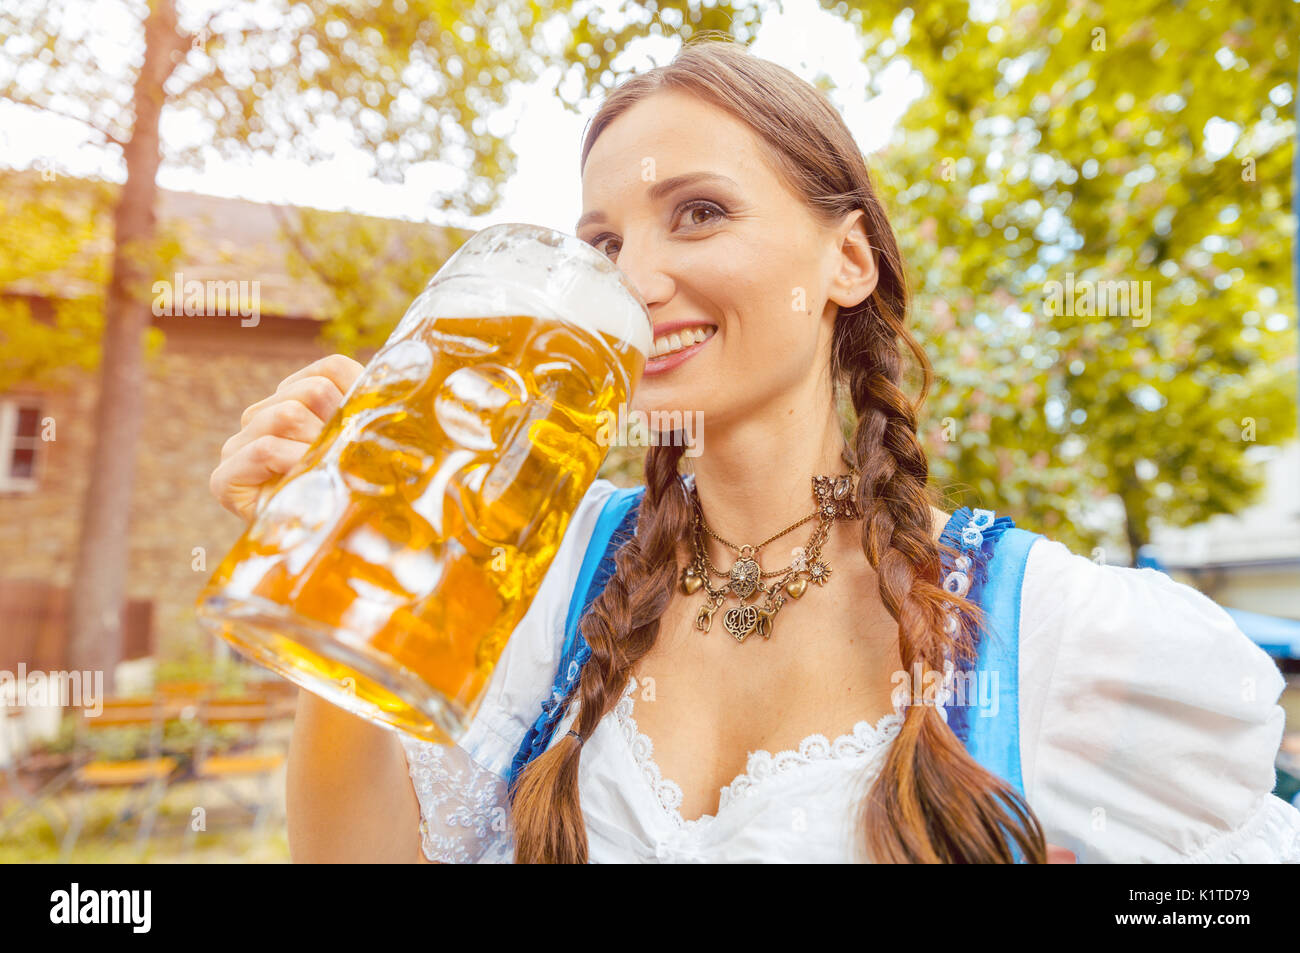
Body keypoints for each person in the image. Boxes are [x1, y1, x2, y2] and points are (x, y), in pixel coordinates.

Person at [209, 37, 1300, 863]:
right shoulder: (538, 568)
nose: (631, 280)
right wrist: (347, 585)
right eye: (602, 241)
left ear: (847, 260)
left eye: (697, 213)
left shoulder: (1037, 625)